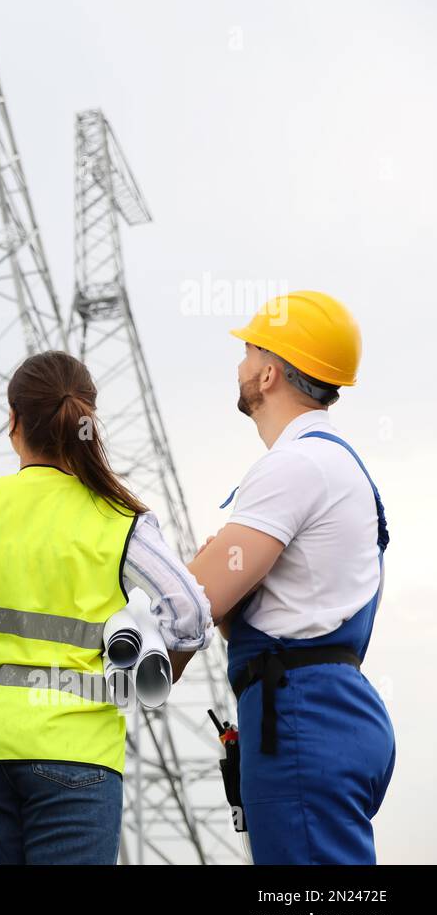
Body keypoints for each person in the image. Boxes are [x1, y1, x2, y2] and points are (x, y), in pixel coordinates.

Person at [0, 351, 212, 865]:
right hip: (76, 753)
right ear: (86, 420)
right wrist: (149, 675)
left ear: (13, 421)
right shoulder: (118, 518)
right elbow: (189, 613)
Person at [176, 291, 394, 864]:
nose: (240, 366)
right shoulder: (332, 463)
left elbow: (190, 601)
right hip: (324, 708)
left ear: (269, 373)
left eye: (247, 354)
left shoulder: (295, 466)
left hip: (302, 717)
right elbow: (269, 617)